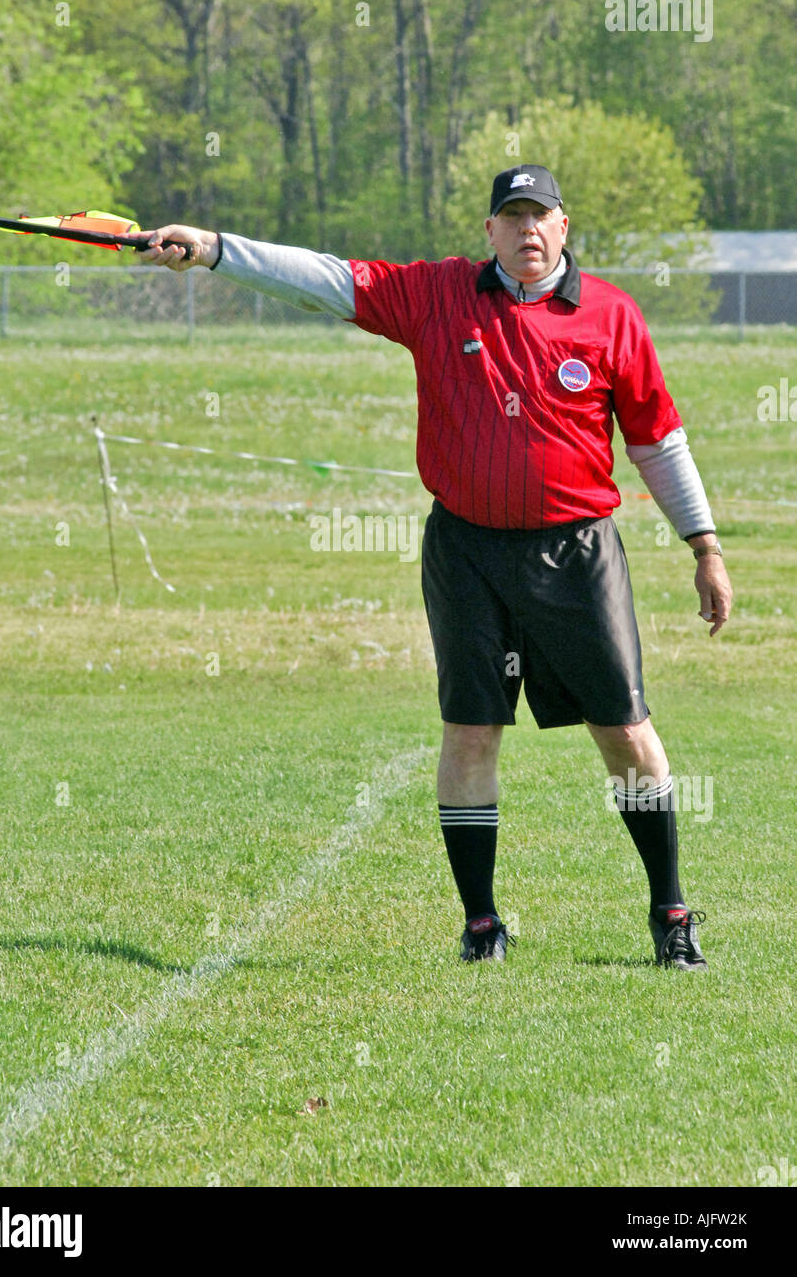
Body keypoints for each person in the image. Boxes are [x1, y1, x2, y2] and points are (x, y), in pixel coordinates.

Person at [136, 163, 733, 971]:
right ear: (488, 231)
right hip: (467, 551)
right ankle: (482, 926)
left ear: (564, 227)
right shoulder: (437, 294)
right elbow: (324, 279)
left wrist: (705, 547)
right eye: (511, 217)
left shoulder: (611, 316)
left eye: (541, 217)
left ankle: (670, 913)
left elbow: (657, 440)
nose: (527, 231)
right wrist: (213, 249)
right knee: (470, 730)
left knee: (625, 731)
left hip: (577, 552)